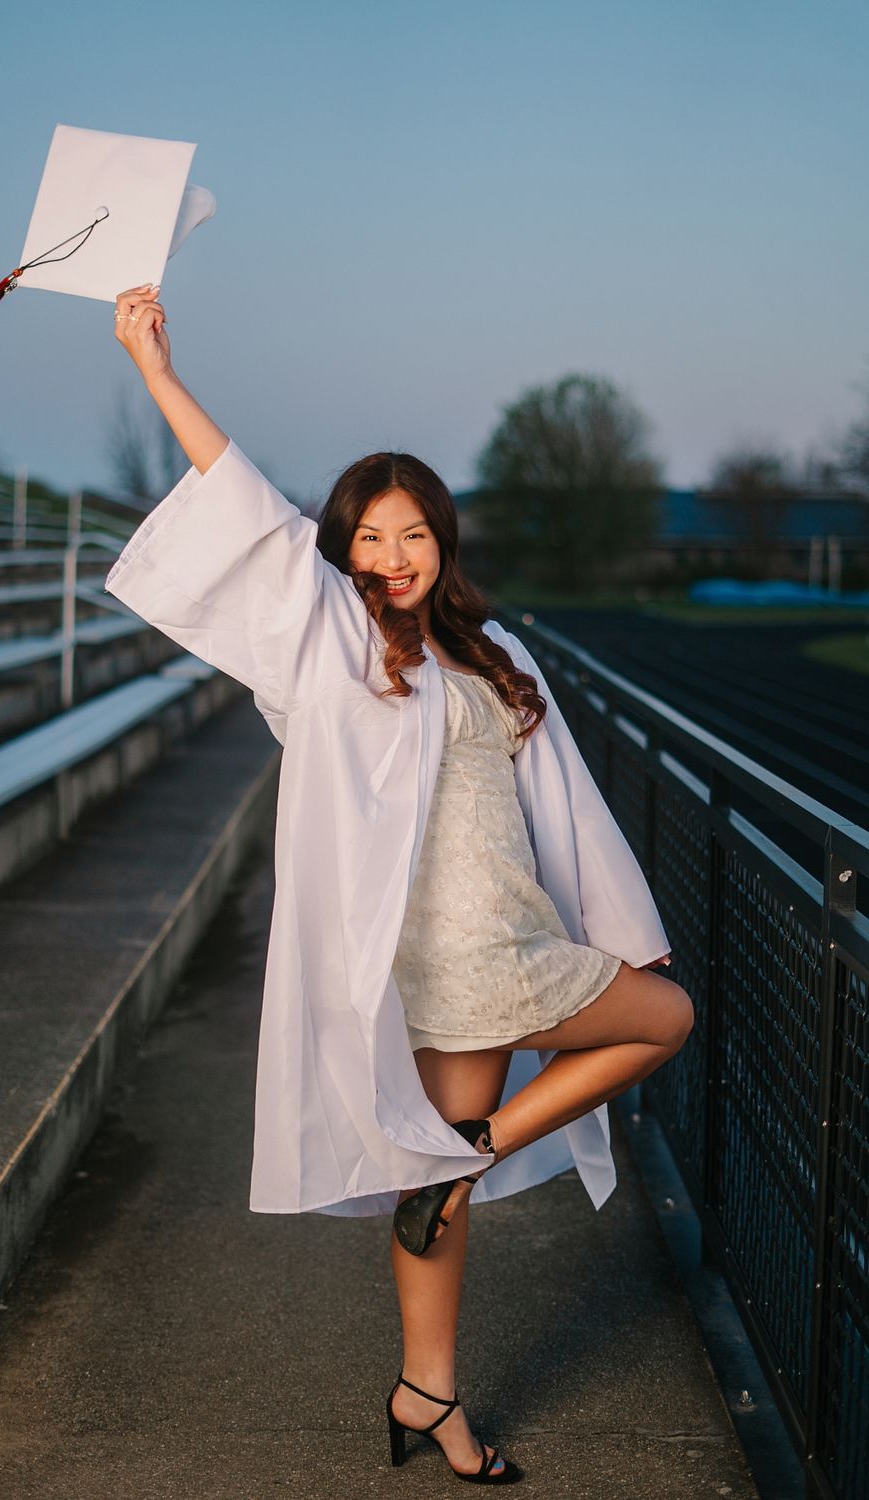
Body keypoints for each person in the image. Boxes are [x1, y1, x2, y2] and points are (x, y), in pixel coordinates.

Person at [109, 283, 694, 1486]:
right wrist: (160, 372)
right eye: (370, 538)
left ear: (444, 543)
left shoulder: (498, 654)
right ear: (345, 550)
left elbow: (563, 807)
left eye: (413, 535)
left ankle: (427, 1393)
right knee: (662, 1021)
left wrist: (614, 923)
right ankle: (472, 1172)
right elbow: (249, 515)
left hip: (511, 935)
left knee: (442, 1181)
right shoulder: (330, 637)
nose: (392, 558)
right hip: (435, 954)